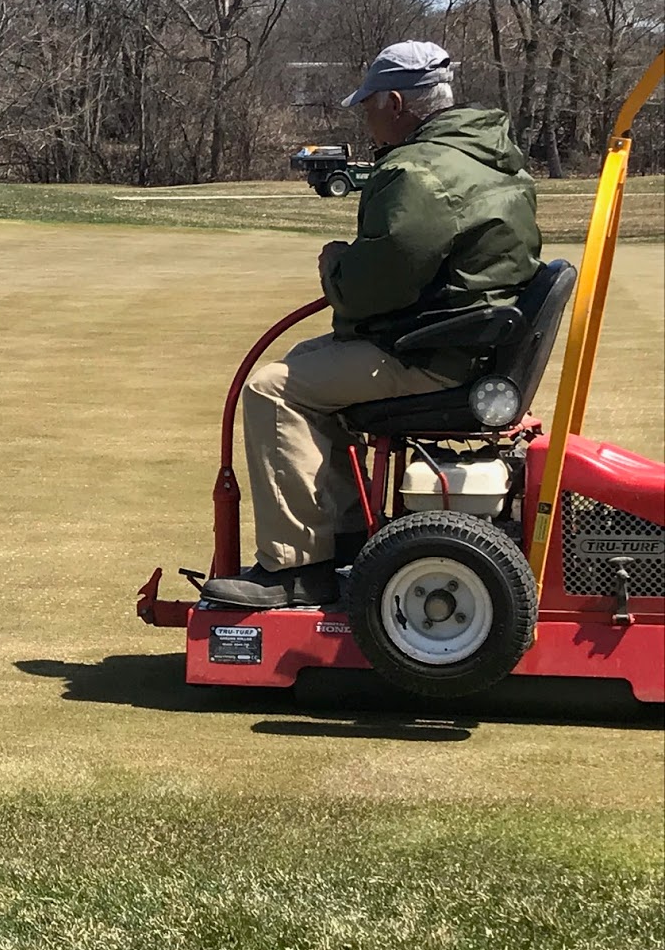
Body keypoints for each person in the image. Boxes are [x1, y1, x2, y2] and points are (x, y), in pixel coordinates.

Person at [200, 40, 543, 610]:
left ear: (394, 102)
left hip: (432, 357)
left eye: (368, 105)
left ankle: (298, 569)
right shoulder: (493, 158)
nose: (365, 115)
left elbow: (377, 286)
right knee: (310, 368)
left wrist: (335, 264)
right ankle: (346, 538)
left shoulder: (417, 171)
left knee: (273, 390)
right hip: (471, 345)